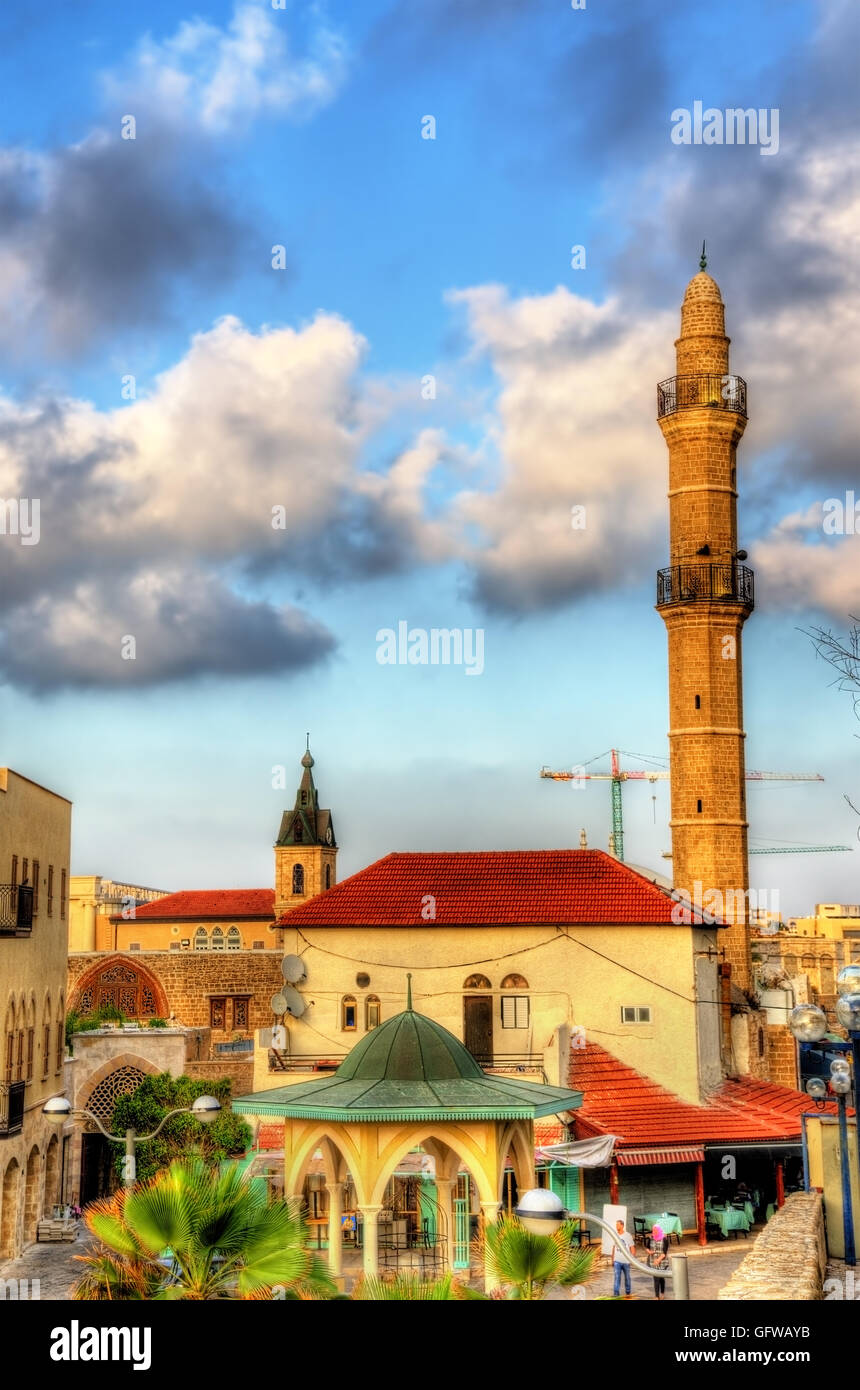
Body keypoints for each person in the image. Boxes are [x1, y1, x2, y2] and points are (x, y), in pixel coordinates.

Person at [612, 1218, 635, 1297]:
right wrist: (613, 1259)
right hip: (617, 1261)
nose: (616, 1226)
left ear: (622, 1225)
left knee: (627, 1278)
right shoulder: (615, 1234)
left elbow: (632, 1248)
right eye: (616, 1224)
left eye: (618, 1224)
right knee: (617, 1278)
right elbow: (614, 1247)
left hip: (626, 1261)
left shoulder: (627, 1235)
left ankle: (628, 1292)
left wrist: (631, 1259)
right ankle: (616, 1294)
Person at [646, 1223, 670, 1299]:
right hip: (653, 1261)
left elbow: (664, 1253)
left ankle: (662, 1293)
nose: (654, 1231)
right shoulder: (650, 1238)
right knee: (656, 1278)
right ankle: (656, 1296)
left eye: (656, 1230)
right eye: (653, 1230)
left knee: (661, 1278)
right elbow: (647, 1248)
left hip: (662, 1262)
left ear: (659, 1230)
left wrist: (659, 1260)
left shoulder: (664, 1239)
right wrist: (649, 1252)